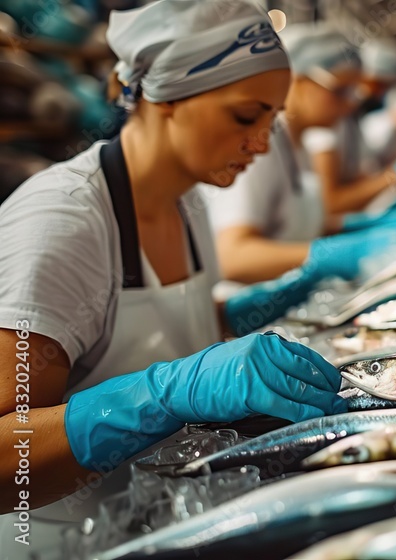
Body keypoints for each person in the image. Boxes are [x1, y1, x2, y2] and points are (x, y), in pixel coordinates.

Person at [0, 1, 346, 549]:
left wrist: (249, 311)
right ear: (166, 97)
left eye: (271, 120)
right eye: (245, 116)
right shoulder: (65, 221)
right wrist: (159, 394)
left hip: (156, 526)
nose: (261, 143)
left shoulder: (188, 201)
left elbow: (162, 325)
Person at [201, 25, 396, 287]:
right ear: (296, 80)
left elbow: (293, 227)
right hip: (253, 303)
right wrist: (336, 254)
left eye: (354, 93)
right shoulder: (260, 148)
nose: (349, 104)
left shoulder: (300, 145)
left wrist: (364, 228)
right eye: (339, 91)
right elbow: (233, 258)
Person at [304, 36, 396, 219]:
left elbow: (361, 178)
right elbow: (329, 204)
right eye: (340, 90)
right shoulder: (323, 127)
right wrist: (394, 176)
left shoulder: (350, 120)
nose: (377, 93)